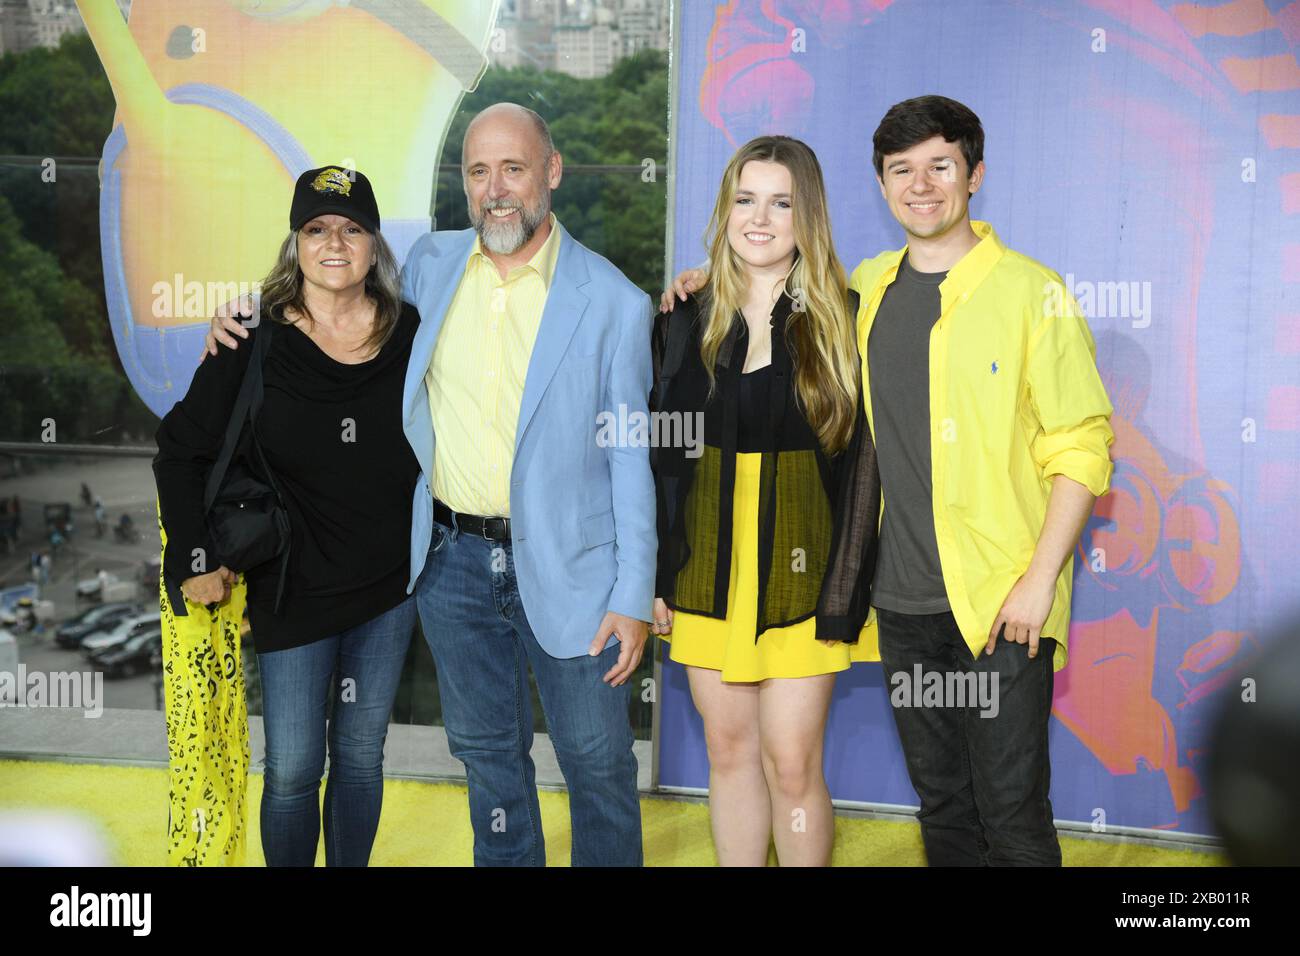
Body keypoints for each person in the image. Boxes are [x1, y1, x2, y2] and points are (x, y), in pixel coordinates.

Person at [669, 96, 1114, 867]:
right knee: (942, 807)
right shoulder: (862, 294)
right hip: (900, 606)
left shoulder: (1032, 294)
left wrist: (1041, 582)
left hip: (1001, 600)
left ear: (975, 175)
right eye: (901, 170)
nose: (921, 185)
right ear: (880, 185)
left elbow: (1082, 446)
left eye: (940, 166)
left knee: (1010, 810)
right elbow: (771, 281)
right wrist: (712, 274)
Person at [208, 104, 657, 867]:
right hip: (449, 566)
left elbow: (631, 458)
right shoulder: (428, 269)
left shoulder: (617, 303)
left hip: (579, 574)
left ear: (551, 172)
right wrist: (246, 314)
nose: (496, 190)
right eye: (478, 172)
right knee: (488, 763)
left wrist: (632, 592)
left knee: (598, 766)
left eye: (513, 168)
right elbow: (333, 306)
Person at [155, 166, 421, 867]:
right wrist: (192, 558)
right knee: (296, 768)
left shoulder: (410, 333)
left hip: (389, 587)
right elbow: (179, 450)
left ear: (373, 242)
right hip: (290, 592)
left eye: (351, 228)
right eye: (316, 228)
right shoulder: (250, 337)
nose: (334, 242)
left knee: (361, 758)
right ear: (296, 242)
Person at [651, 135, 878, 866]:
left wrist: (845, 591)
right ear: (725, 210)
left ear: (805, 215)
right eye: (745, 199)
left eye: (780, 203)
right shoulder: (685, 314)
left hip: (803, 572)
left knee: (791, 762)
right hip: (705, 565)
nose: (759, 218)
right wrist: (659, 578)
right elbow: (664, 459)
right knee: (727, 749)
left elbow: (864, 470)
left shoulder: (844, 318)